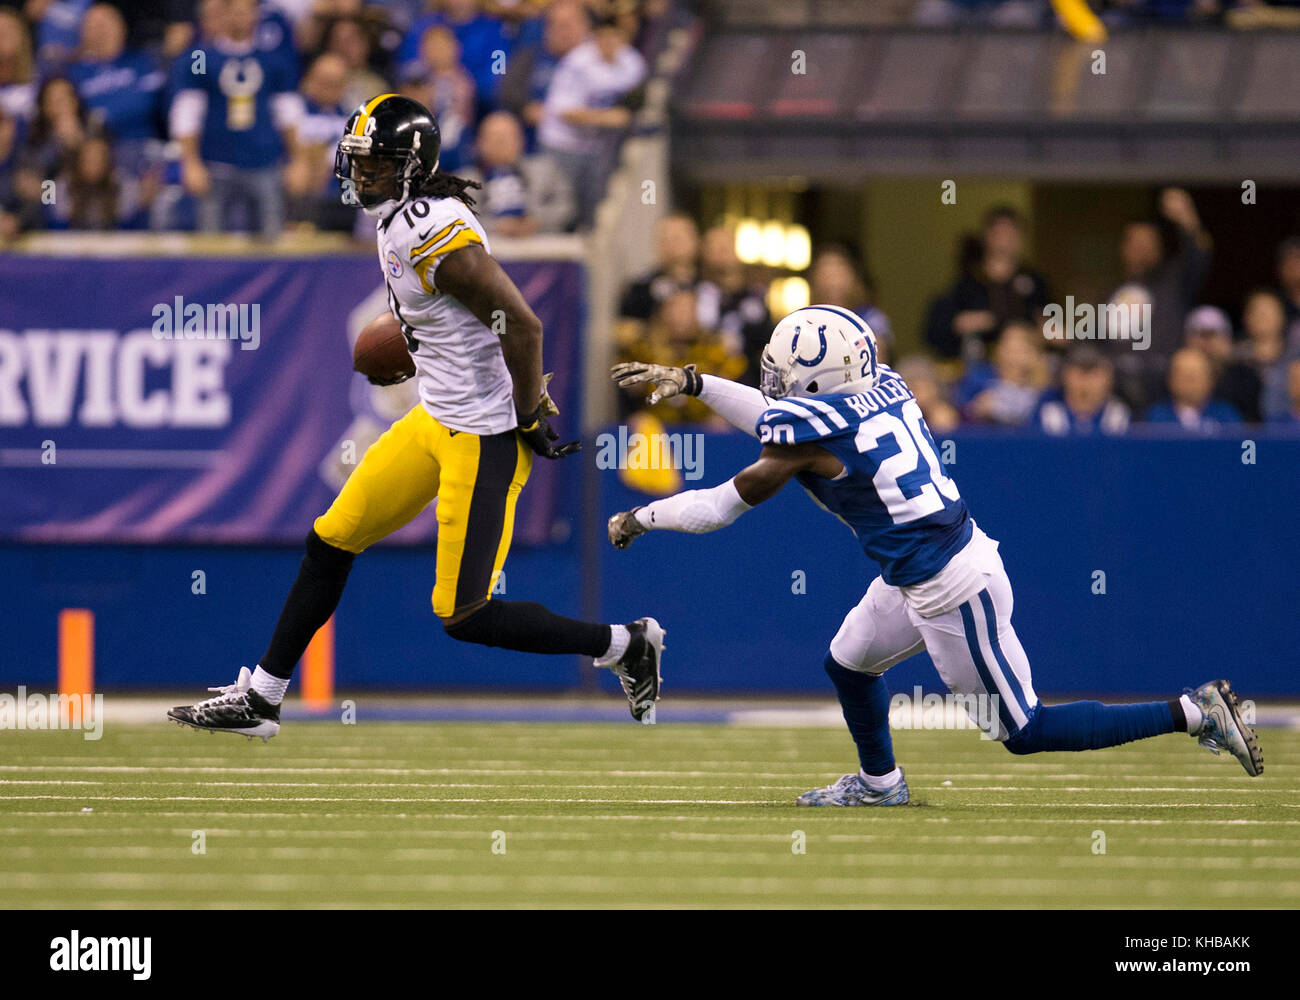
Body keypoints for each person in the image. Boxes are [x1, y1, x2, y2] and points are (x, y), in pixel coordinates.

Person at [608, 304, 1263, 806]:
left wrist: (639, 517)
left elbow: (721, 505)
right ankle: (880, 782)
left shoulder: (809, 435)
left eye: (786, 375)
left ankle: (1196, 711)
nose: (773, 383)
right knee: (848, 663)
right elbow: (779, 419)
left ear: (818, 381)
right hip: (921, 568)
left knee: (1024, 731)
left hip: (951, 588)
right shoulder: (883, 384)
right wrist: (697, 381)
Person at [169, 95, 664, 739]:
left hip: (484, 436)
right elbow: (457, 318)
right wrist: (420, 342)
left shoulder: (431, 229)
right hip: (435, 418)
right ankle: (262, 698)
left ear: (411, 167)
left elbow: (521, 320)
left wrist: (529, 411)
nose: (361, 178)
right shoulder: (400, 218)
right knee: (331, 538)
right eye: (358, 165)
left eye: (375, 166)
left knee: (465, 615)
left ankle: (626, 644)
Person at [170, 0, 303, 237]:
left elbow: (288, 112)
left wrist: (297, 159)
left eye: (246, 10)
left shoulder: (273, 59)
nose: (240, 17)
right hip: (215, 163)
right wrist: (190, 161)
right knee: (210, 244)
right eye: (234, 10)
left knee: (270, 240)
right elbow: (188, 111)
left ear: (256, 15)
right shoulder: (202, 58)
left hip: (264, 161)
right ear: (224, 13)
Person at [1032, 345, 1131, 436]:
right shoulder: (1046, 414)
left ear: (1109, 377)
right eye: (1079, 372)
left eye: (1094, 373)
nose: (1086, 381)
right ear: (1064, 375)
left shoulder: (1120, 415)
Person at [1144, 346, 1242, 431]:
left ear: (1211, 380)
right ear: (1170, 379)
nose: (1190, 381)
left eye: (1196, 374)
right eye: (1183, 374)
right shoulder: (1155, 416)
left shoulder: (1226, 415)